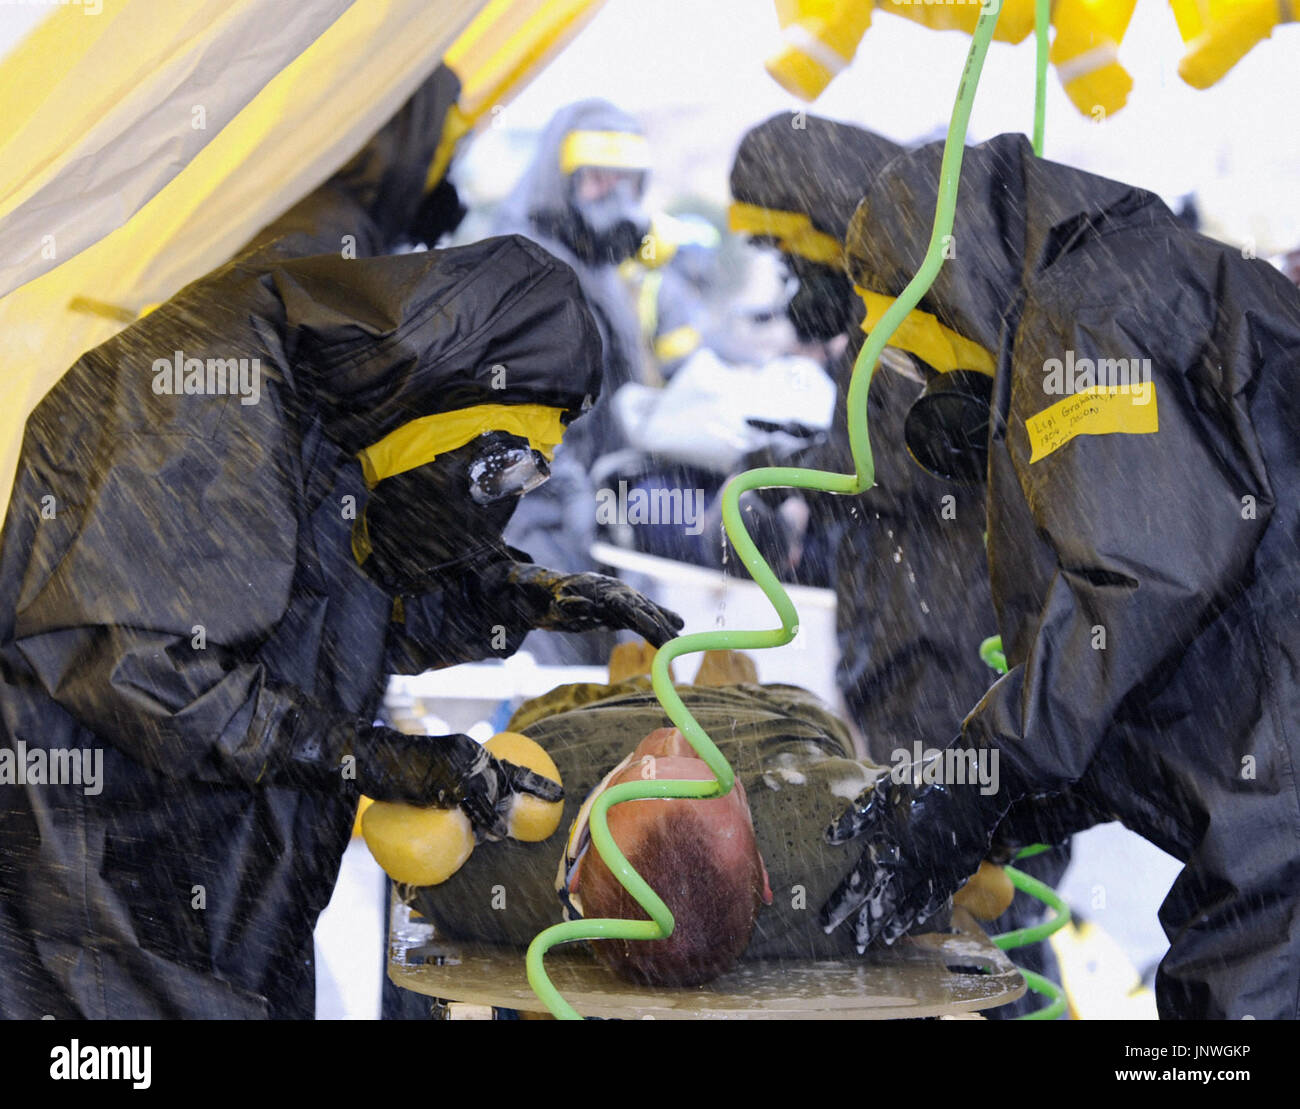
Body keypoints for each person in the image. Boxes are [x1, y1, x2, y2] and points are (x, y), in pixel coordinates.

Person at [0, 68, 680, 1020]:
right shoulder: (203, 392)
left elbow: (363, 610)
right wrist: (370, 756)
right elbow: (144, 671)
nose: (505, 503)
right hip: (97, 914)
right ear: (445, 412)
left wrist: (529, 598)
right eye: (498, 470)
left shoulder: (355, 427)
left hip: (237, 914)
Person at [826, 132, 1300, 1020]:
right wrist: (995, 808)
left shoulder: (1083, 318)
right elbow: (1167, 664)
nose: (927, 384)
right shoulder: (1134, 288)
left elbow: (1135, 584)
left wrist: (986, 765)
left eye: (914, 352)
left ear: (946, 298)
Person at [729, 113, 1068, 1016]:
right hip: (928, 636)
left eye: (792, 252)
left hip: (947, 648)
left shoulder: (910, 317)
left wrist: (785, 472)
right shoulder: (898, 313)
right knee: (968, 890)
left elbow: (887, 455)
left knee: (972, 896)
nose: (789, 274)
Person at [408, 650, 1010, 987]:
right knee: (733, 665)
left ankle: (638, 687)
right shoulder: (820, 836)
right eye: (710, 777)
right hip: (772, 719)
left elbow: (409, 866)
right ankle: (715, 693)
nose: (673, 737)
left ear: (582, 852)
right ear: (765, 879)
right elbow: (991, 890)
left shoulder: (491, 881)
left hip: (587, 723)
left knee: (628, 664)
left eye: (645, 768)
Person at [492, 100, 654, 663]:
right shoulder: (526, 263)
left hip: (591, 511)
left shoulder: (600, 271)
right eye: (599, 177)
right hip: (532, 517)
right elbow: (517, 416)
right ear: (561, 180)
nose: (615, 195)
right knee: (552, 683)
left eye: (627, 179)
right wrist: (572, 498)